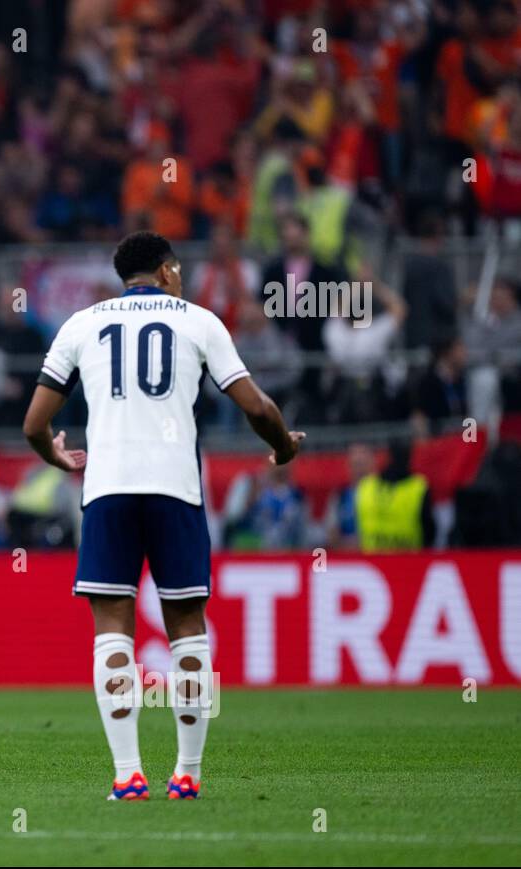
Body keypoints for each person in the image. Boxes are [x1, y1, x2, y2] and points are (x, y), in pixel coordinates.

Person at [21, 231, 303, 801]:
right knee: (187, 630)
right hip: (176, 488)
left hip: (108, 489)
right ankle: (188, 774)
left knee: (111, 629)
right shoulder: (199, 322)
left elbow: (33, 423)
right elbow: (256, 405)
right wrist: (284, 448)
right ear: (169, 271)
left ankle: (127, 775)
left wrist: (53, 452)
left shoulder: (80, 324)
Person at [355, 439, 435, 552]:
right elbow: (429, 531)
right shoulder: (418, 487)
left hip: (372, 559)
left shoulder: (366, 486)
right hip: (408, 561)